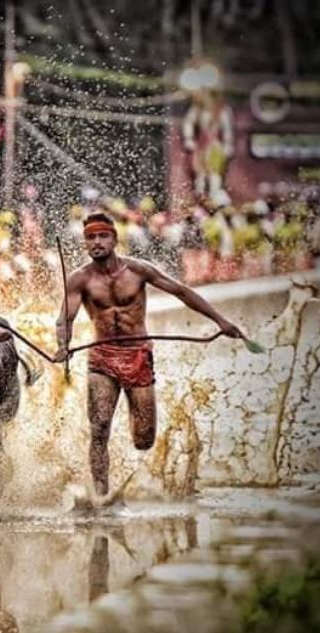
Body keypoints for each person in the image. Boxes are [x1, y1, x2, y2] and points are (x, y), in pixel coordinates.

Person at [52, 212, 243, 500]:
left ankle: (142, 473)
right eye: (91, 237)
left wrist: (220, 321)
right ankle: (101, 495)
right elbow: (64, 319)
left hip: (138, 355)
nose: (97, 242)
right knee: (99, 427)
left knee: (144, 439)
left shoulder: (139, 270)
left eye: (103, 236)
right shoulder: (79, 279)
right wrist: (62, 345)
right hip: (102, 358)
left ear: (115, 239)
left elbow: (181, 291)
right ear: (85, 244)